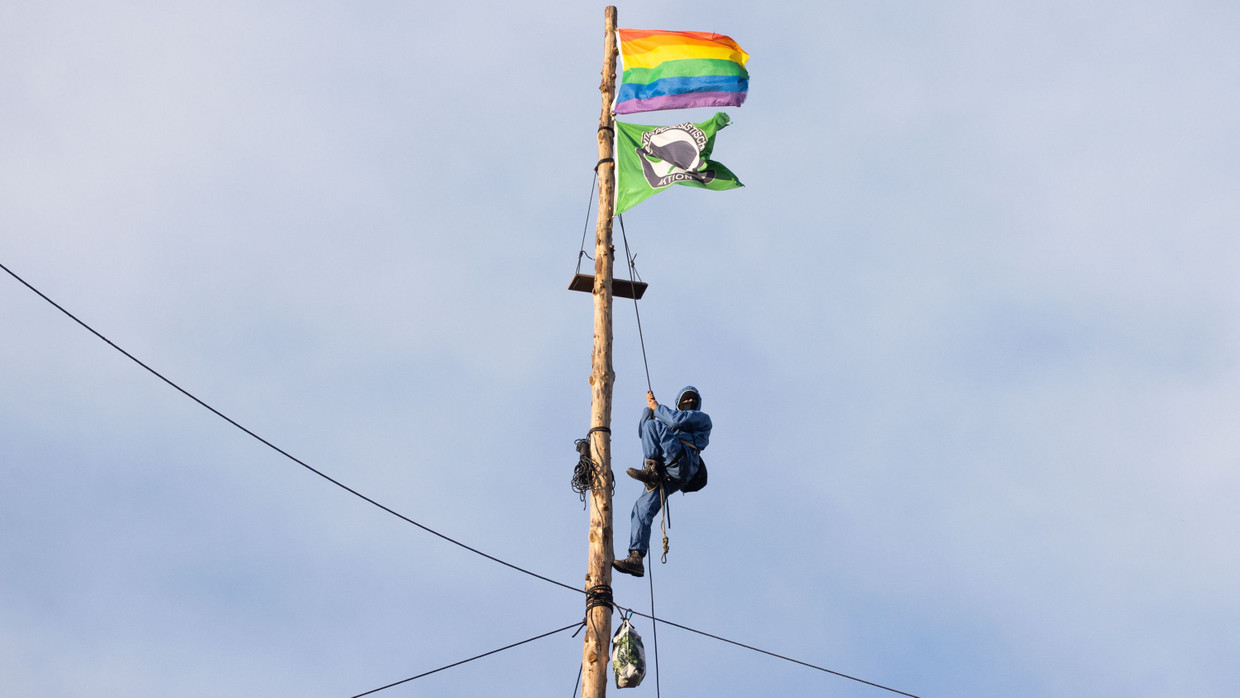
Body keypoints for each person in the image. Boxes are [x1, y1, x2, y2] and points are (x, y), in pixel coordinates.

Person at [613, 385, 712, 577]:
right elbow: (645, 434)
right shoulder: (668, 422)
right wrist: (648, 411)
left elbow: (675, 420)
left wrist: (656, 407)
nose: (688, 403)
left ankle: (651, 469)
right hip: (667, 472)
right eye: (685, 400)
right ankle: (636, 557)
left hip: (683, 461)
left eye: (692, 400)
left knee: (654, 426)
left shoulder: (701, 419)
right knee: (641, 509)